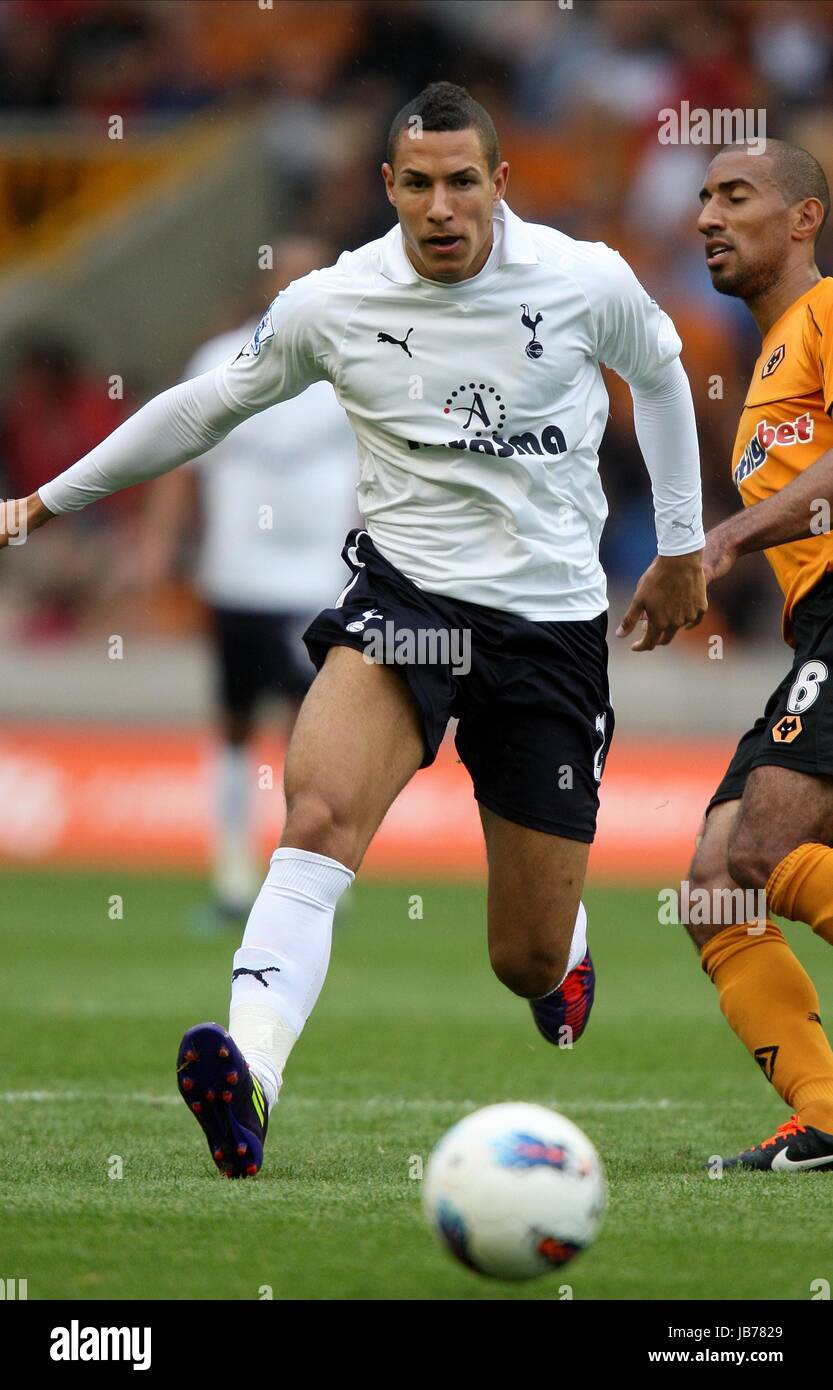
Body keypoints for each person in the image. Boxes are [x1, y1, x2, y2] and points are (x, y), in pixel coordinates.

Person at [0, 82, 706, 1179]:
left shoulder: (582, 279)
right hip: (406, 605)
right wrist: (45, 501)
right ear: (387, 187)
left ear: (498, 184)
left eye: (461, 181)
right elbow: (200, 409)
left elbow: (659, 375)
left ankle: (560, 955)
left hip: (546, 627)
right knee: (318, 812)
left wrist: (676, 545)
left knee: (519, 957)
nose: (439, 206)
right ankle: (250, 1078)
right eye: (416, 183)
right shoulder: (335, 302)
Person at [138, 237, 359, 920]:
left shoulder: (357, 363)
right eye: (287, 274)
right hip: (236, 575)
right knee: (234, 724)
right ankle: (232, 875)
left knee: (312, 728)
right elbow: (183, 457)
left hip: (318, 580)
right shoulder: (221, 359)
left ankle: (311, 879)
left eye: (310, 274)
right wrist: (159, 539)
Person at [687, 139, 833, 1171]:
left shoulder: (826, 314)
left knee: (757, 854)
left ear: (801, 218)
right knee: (712, 886)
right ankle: (824, 1113)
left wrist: (731, 536)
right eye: (699, 197)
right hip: (814, 631)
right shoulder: (766, 361)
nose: (705, 215)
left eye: (734, 195)